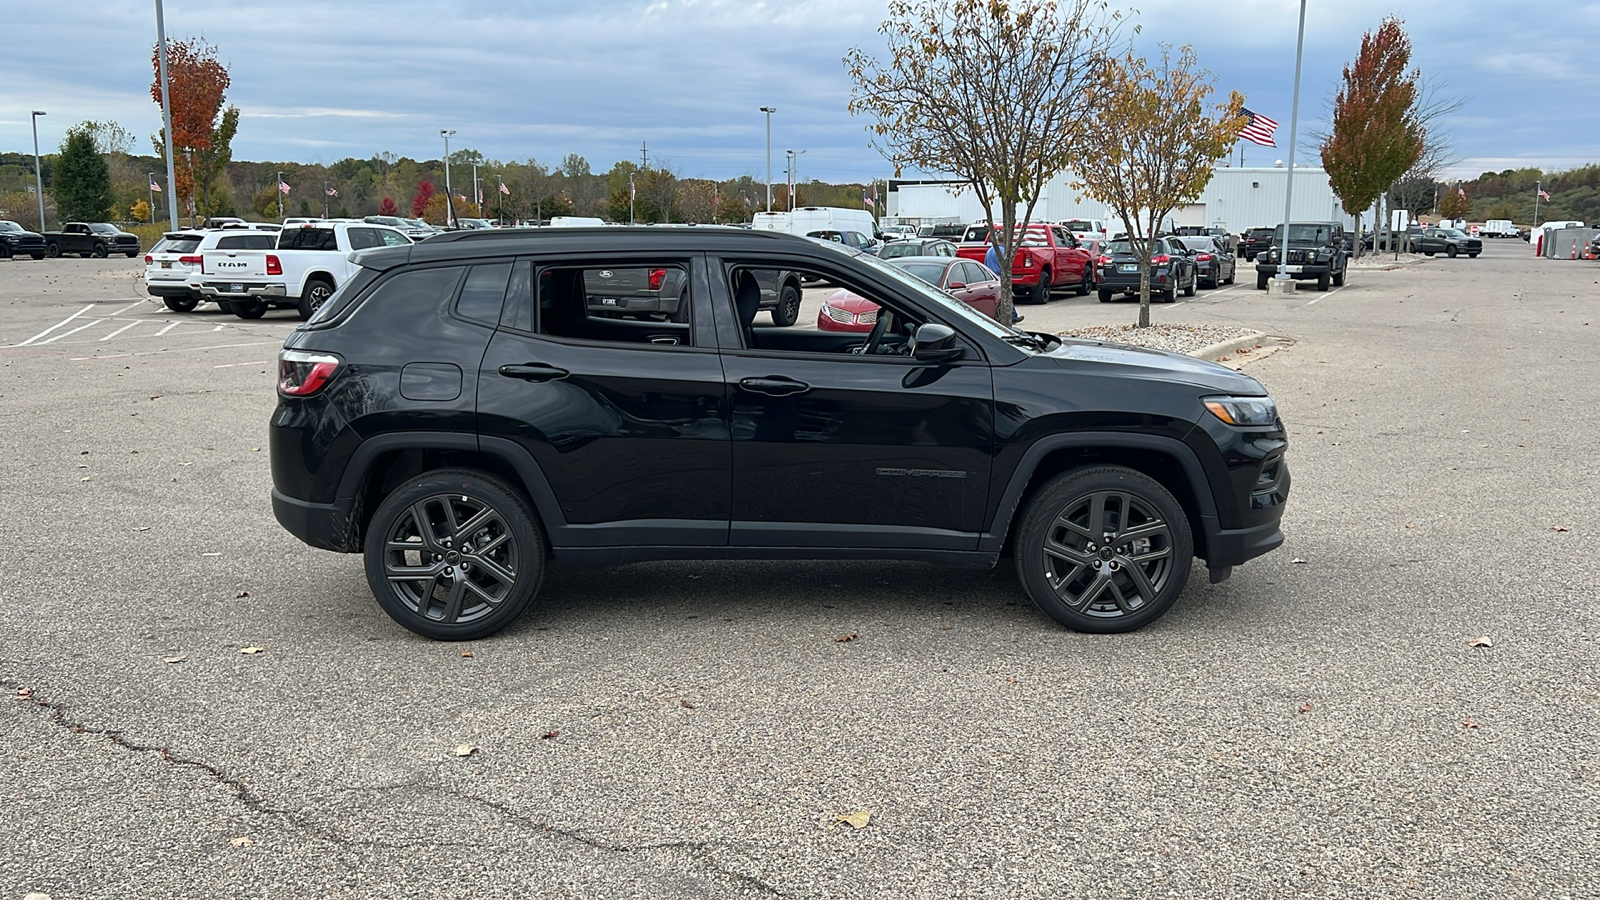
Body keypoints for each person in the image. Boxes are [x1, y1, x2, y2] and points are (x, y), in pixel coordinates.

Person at [984, 241, 1024, 325]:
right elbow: (1006, 265)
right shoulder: (1003, 251)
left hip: (991, 276)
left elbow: (985, 263)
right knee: (1006, 295)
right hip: (1000, 276)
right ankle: (1012, 316)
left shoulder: (990, 250)